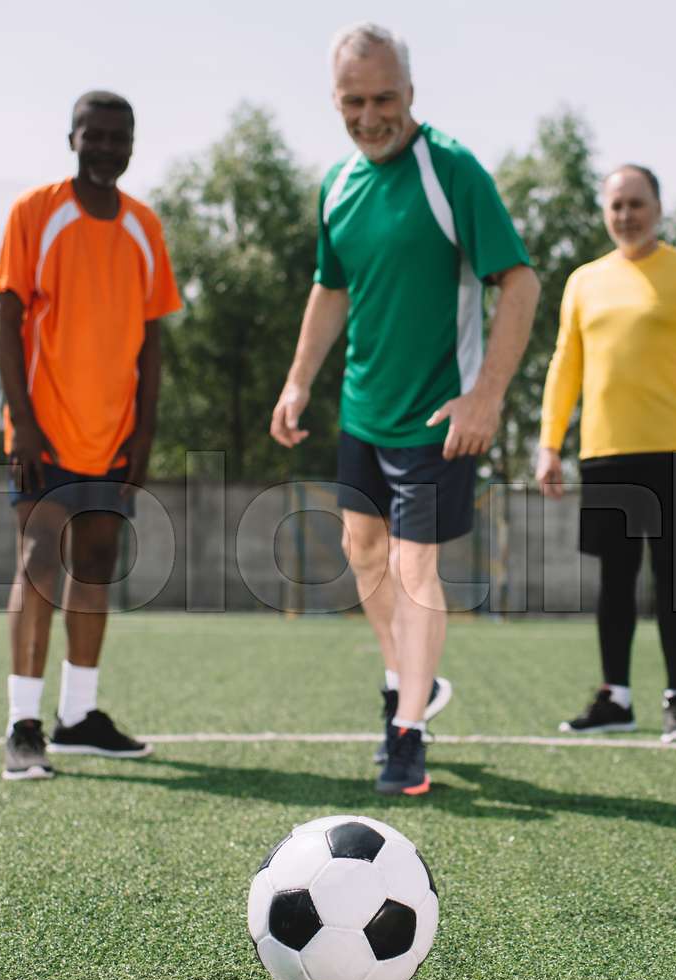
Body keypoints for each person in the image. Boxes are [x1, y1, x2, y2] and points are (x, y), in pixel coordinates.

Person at [270, 23, 538, 796]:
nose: (370, 115)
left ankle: (407, 734)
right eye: (354, 101)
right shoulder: (338, 186)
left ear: (411, 93)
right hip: (363, 412)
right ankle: (406, 682)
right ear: (335, 101)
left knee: (417, 568)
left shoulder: (451, 171)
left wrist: (485, 395)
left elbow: (518, 283)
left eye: (385, 97)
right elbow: (331, 288)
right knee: (364, 557)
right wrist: (297, 382)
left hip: (436, 418)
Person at [0, 90, 182, 781]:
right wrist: (23, 422)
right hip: (42, 432)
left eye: (119, 137)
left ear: (132, 144)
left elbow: (153, 339)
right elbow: (7, 324)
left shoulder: (144, 226)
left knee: (98, 567)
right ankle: (23, 726)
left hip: (112, 435)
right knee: (39, 563)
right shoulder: (34, 213)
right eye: (94, 135)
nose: (106, 147)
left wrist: (144, 435)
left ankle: (79, 717)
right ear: (70, 138)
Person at [536, 165, 676, 744]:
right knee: (615, 581)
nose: (626, 214)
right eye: (616, 205)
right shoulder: (584, 281)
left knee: (674, 578)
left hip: (674, 451)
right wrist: (550, 444)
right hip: (603, 453)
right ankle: (616, 698)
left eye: (637, 203)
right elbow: (564, 365)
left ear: (658, 207)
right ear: (606, 211)